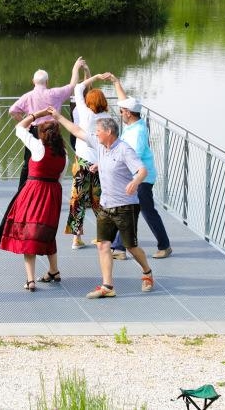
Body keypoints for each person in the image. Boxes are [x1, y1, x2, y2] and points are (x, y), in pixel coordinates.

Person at [46, 108, 155, 299]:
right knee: (103, 245)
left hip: (125, 205)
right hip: (105, 205)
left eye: (98, 131)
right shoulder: (99, 145)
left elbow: (142, 170)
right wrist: (58, 117)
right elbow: (77, 131)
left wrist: (135, 182)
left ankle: (146, 272)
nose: (95, 134)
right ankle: (107, 286)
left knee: (130, 246)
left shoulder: (124, 149)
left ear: (109, 132)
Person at [0, 110, 65, 290]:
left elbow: (19, 128)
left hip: (34, 192)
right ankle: (54, 270)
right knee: (47, 232)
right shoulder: (63, 153)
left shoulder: (37, 146)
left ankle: (30, 280)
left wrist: (36, 114)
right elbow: (60, 177)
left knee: (29, 234)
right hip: (53, 194)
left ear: (42, 134)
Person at [110, 76, 173, 260]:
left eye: (122, 111)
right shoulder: (132, 126)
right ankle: (119, 248)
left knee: (143, 211)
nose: (120, 113)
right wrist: (116, 83)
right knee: (132, 210)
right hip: (136, 177)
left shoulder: (137, 132)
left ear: (128, 113)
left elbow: (133, 156)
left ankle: (162, 245)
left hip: (142, 178)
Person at [9, 57, 86, 192]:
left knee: (28, 162)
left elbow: (12, 110)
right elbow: (73, 85)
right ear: (47, 81)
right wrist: (75, 67)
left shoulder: (28, 96)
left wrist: (26, 123)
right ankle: (51, 186)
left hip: (34, 130)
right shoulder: (55, 93)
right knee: (54, 159)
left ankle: (22, 191)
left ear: (33, 81)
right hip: (52, 131)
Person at [64, 73, 110, 249]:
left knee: (78, 199)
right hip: (100, 164)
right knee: (100, 200)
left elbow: (78, 88)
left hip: (82, 162)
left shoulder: (85, 114)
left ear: (89, 102)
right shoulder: (108, 118)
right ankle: (102, 236)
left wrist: (95, 76)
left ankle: (76, 238)